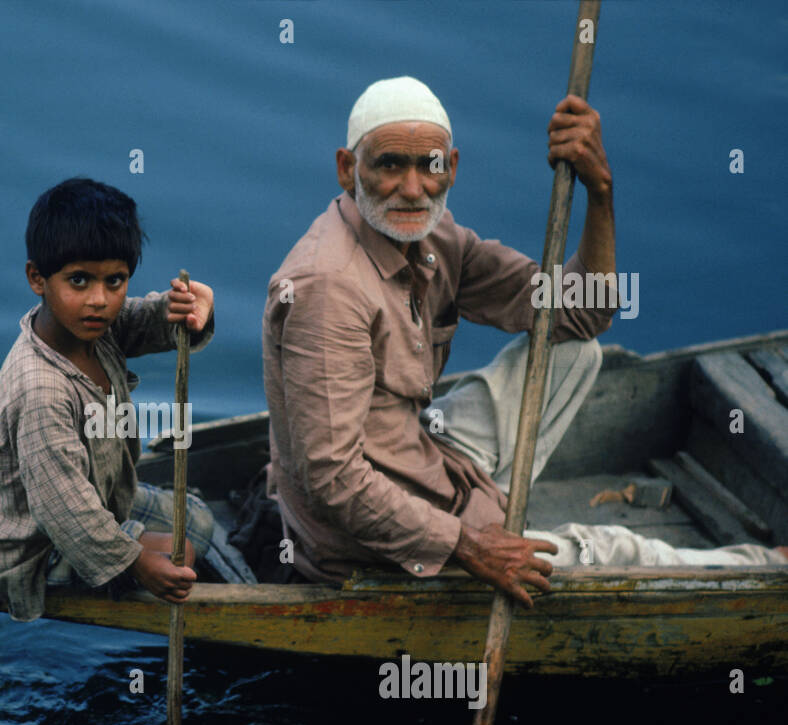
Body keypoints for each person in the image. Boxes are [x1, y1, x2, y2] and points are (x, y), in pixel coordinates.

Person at [262, 76, 786, 608]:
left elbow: (579, 312)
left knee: (574, 353)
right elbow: (333, 480)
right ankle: (768, 570)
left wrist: (599, 191)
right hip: (367, 541)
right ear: (348, 170)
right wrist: (469, 545)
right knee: (612, 549)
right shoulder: (327, 287)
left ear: (453, 168)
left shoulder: (433, 239)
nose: (414, 188)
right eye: (390, 165)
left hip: (417, 453)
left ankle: (497, 509)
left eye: (430, 166)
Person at [0, 177, 217, 622]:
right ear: (37, 279)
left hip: (99, 500)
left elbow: (142, 319)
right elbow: (63, 510)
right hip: (37, 546)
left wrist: (184, 311)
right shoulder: (41, 389)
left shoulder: (95, 327)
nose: (100, 301)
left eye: (115, 280)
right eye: (79, 281)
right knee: (179, 547)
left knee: (198, 518)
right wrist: (138, 564)